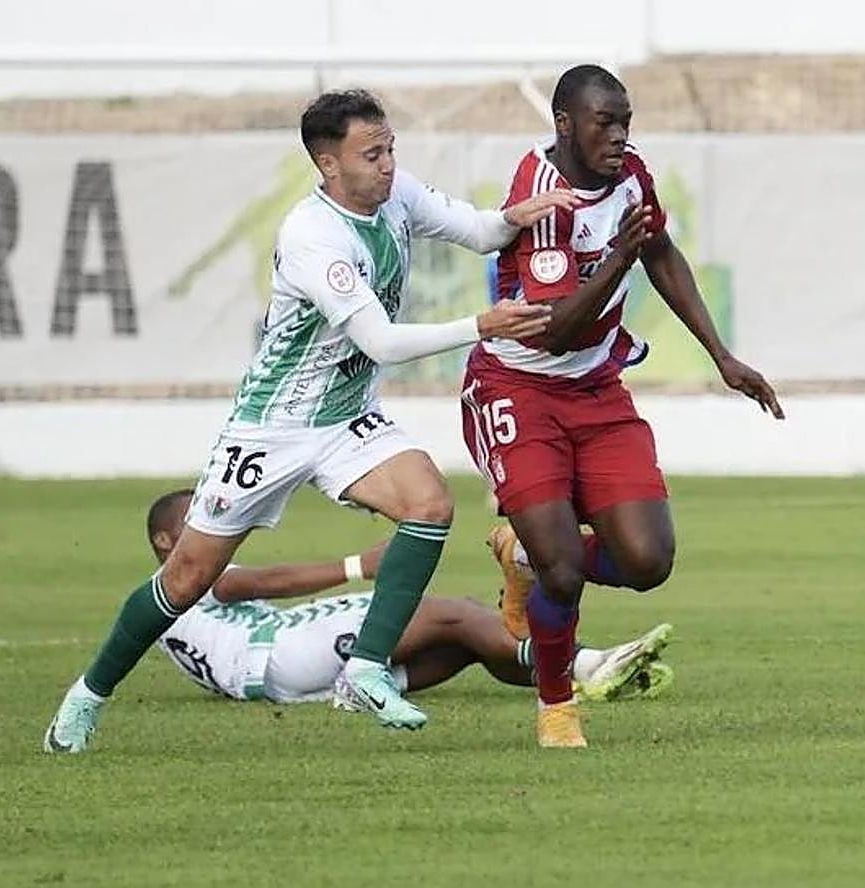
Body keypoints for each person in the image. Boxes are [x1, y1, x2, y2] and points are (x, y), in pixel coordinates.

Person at [45, 89, 573, 753]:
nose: (387, 165)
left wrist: (516, 216)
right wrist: (479, 326)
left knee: (429, 503)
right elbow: (378, 342)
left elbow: (479, 230)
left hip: (346, 417)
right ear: (328, 164)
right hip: (273, 428)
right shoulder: (311, 237)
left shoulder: (397, 194)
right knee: (186, 580)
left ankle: (366, 669)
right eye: (371, 154)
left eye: (389, 150)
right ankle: (87, 697)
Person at [462, 64, 782, 748]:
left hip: (596, 388)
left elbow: (659, 252)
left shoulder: (632, 172)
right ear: (565, 124)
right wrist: (616, 257)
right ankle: (556, 710)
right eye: (604, 122)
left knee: (647, 560)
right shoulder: (543, 195)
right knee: (566, 572)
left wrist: (721, 356)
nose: (618, 134)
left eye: (625, 121)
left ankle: (522, 557)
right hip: (518, 388)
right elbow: (555, 329)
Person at [139, 490, 672, 706]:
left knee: (466, 638)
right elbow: (237, 584)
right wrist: (358, 566)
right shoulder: (178, 580)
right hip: (281, 649)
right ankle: (587, 663)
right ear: (165, 541)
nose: (213, 521)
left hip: (275, 665)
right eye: (197, 517)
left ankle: (569, 674)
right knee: (451, 612)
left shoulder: (163, 609)